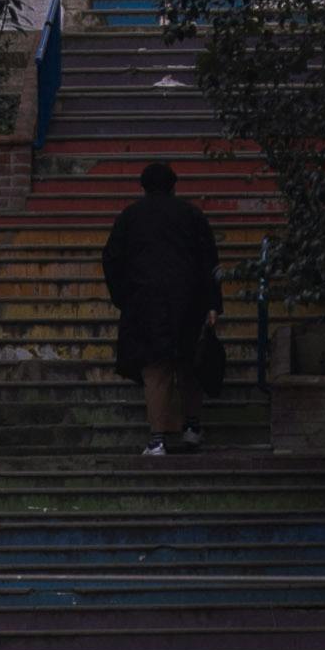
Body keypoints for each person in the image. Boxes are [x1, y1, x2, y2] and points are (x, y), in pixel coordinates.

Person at [100, 154, 222, 462]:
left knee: (156, 370)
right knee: (190, 365)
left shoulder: (130, 217)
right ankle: (192, 427)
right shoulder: (192, 216)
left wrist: (124, 297)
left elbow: (112, 259)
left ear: (143, 186)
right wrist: (213, 303)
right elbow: (209, 260)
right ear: (173, 186)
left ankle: (157, 440)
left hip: (146, 303)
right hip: (190, 300)